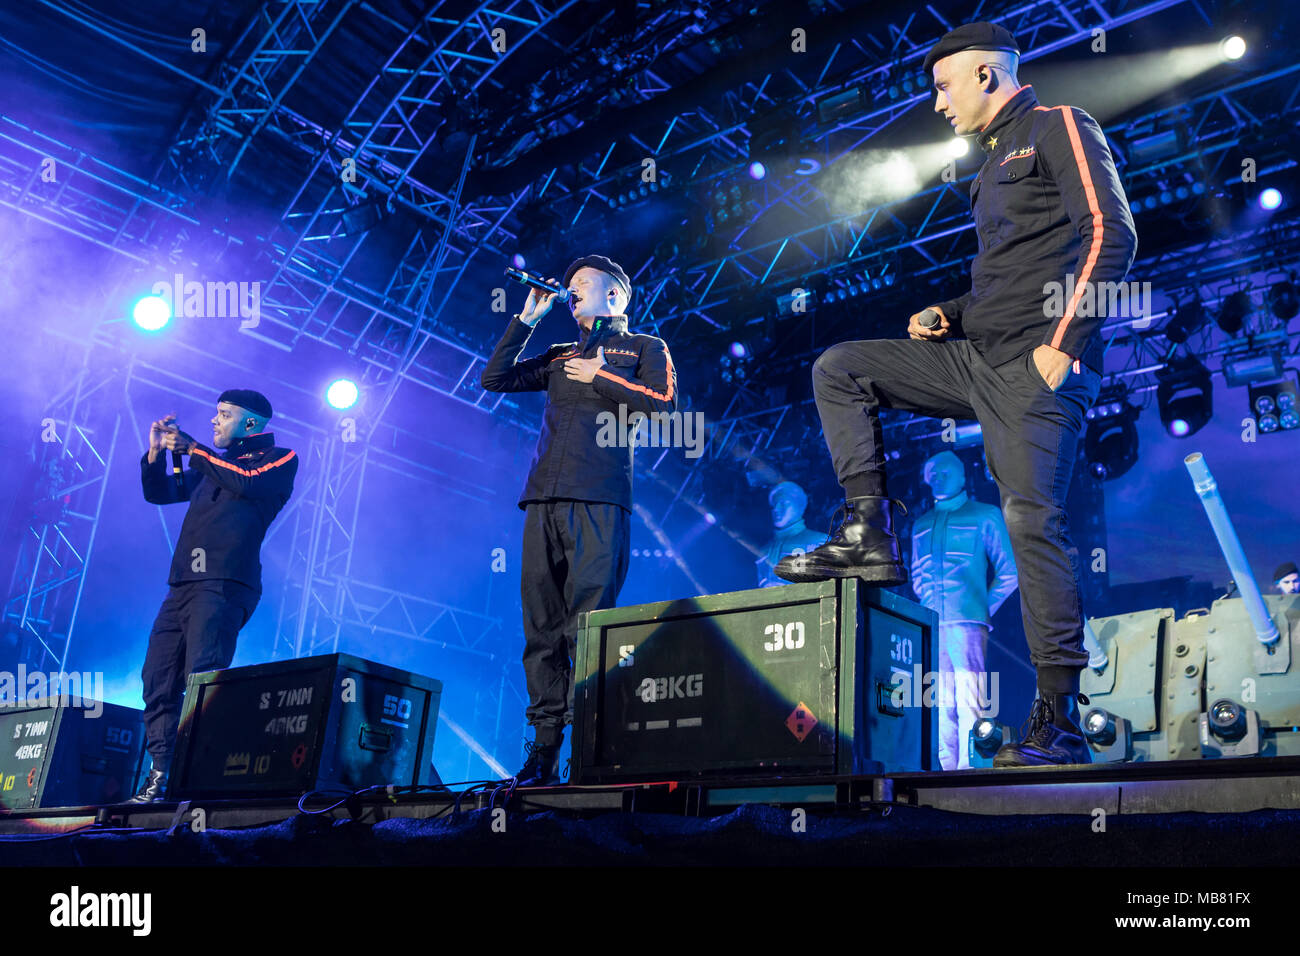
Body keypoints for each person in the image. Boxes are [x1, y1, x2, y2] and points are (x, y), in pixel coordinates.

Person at [775, 22, 1138, 767]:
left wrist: (1060, 346)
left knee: (1031, 522)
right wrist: (954, 314)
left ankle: (1060, 722)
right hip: (980, 357)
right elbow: (1007, 284)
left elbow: (1111, 234)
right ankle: (866, 533)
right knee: (840, 366)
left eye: (943, 85)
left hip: (1037, 367)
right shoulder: (990, 164)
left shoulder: (1057, 126)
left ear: (987, 75)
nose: (936, 103)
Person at [481, 255, 678, 786]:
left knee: (587, 627)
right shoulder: (560, 351)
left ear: (614, 294)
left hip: (600, 499)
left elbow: (663, 403)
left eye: (581, 284)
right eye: (567, 285)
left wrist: (602, 376)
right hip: (542, 499)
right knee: (541, 627)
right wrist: (525, 321)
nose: (570, 291)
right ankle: (543, 750)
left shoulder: (643, 347)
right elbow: (493, 378)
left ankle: (590, 748)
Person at [131, 390, 298, 802]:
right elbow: (161, 492)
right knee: (157, 679)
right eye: (215, 413)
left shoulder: (278, 458)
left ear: (251, 424)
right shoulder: (211, 467)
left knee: (202, 680)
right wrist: (156, 455)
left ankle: (196, 774)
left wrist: (194, 448)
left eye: (224, 415)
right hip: (182, 586)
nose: (214, 421)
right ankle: (163, 773)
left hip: (224, 583)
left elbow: (247, 481)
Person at [909, 451, 1017, 769]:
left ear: (961, 476)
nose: (937, 478)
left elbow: (1009, 571)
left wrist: (982, 607)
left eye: (943, 472)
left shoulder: (985, 515)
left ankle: (971, 765)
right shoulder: (921, 524)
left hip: (968, 621)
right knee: (937, 699)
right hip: (930, 624)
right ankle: (944, 766)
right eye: (932, 474)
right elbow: (918, 577)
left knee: (971, 694)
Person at [757, 481, 826, 588]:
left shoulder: (819, 541)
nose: (776, 509)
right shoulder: (763, 551)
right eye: (773, 506)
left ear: (799, 506)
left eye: (783, 503)